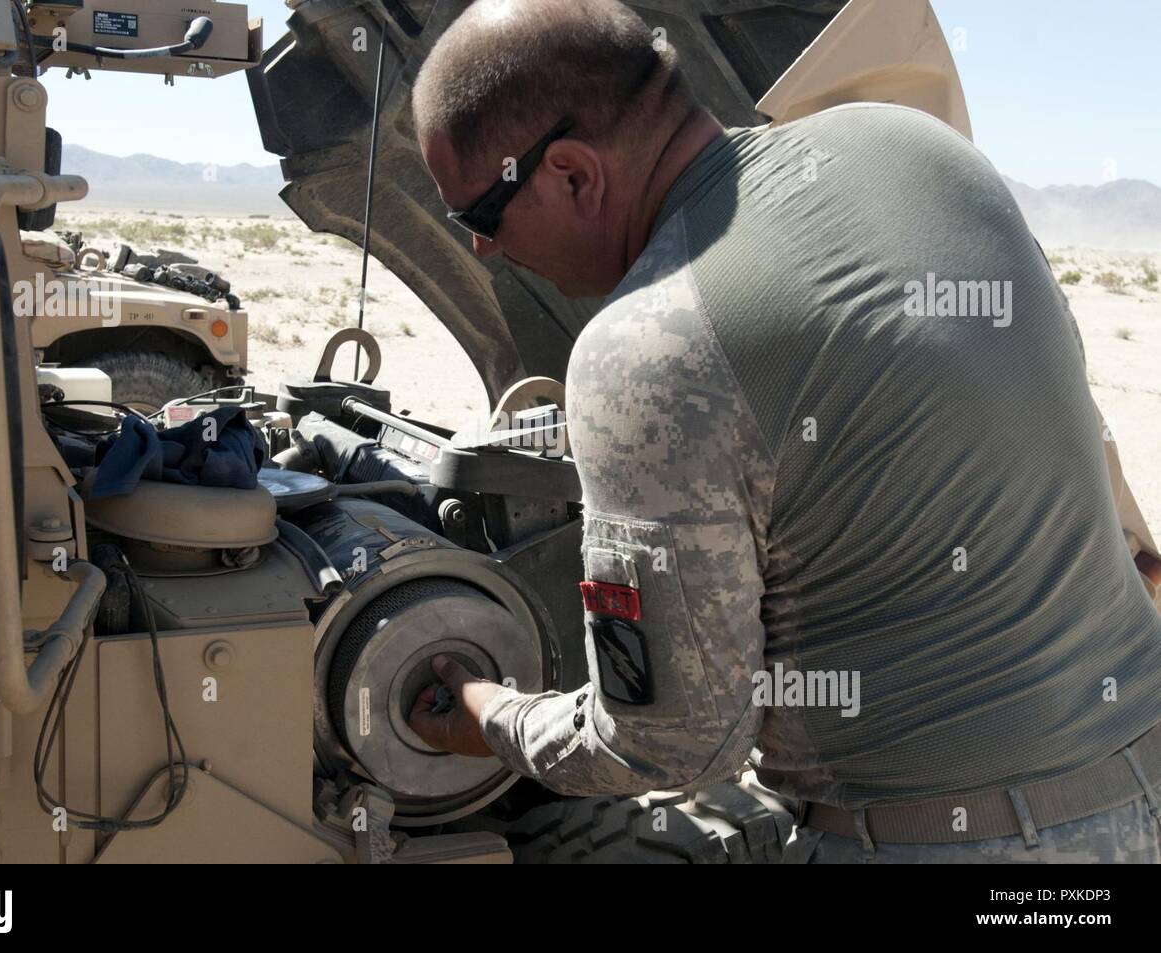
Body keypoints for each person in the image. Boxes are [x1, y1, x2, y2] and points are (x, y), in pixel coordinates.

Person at [406, 0, 1161, 862]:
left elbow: (672, 744)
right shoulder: (916, 146)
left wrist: (482, 713)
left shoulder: (646, 346)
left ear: (574, 174)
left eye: (480, 218)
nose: (483, 253)